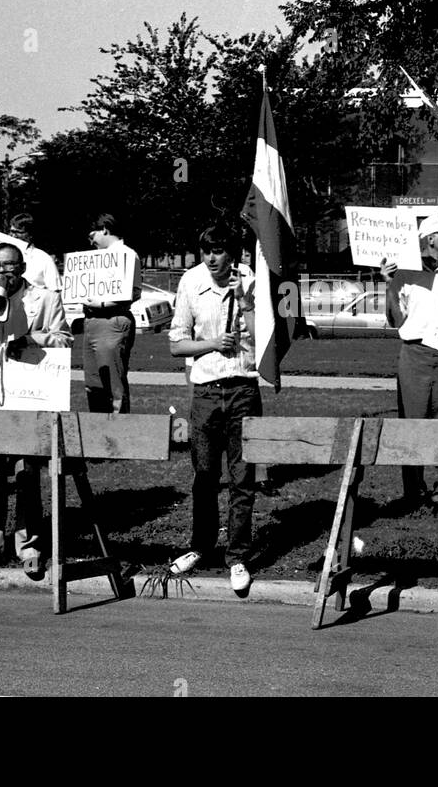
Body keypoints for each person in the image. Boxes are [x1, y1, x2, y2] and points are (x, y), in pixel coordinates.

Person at [0, 242, 72, 580]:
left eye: (10, 265)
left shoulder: (47, 297)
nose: (4, 272)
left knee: (27, 472)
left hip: (31, 394)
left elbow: (65, 339)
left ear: (21, 267)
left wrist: (33, 339)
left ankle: (29, 545)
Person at [167, 222, 261, 598]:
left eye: (219, 251)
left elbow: (264, 338)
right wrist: (210, 343)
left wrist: (248, 300)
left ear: (233, 253)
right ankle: (200, 546)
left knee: (242, 477)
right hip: (206, 392)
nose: (211, 258)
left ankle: (237, 555)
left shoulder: (251, 282)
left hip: (242, 389)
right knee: (204, 475)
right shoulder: (191, 282)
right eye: (206, 251)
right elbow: (177, 344)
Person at [384, 214, 438, 509]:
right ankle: (413, 488)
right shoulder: (404, 273)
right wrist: (389, 284)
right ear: (430, 238)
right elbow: (396, 318)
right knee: (413, 421)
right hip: (415, 353)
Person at [82, 213, 142, 413]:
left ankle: (118, 434)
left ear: (105, 229)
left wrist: (103, 303)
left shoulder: (126, 254)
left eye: (93, 236)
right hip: (92, 321)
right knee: (94, 382)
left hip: (113, 320)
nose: (92, 242)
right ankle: (97, 431)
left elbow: (133, 293)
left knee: (113, 384)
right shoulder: (98, 257)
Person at [8, 213, 61, 294]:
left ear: (30, 234)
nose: (13, 236)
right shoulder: (0, 256)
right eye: (11, 232)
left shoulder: (44, 259)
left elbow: (55, 292)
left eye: (18, 232)